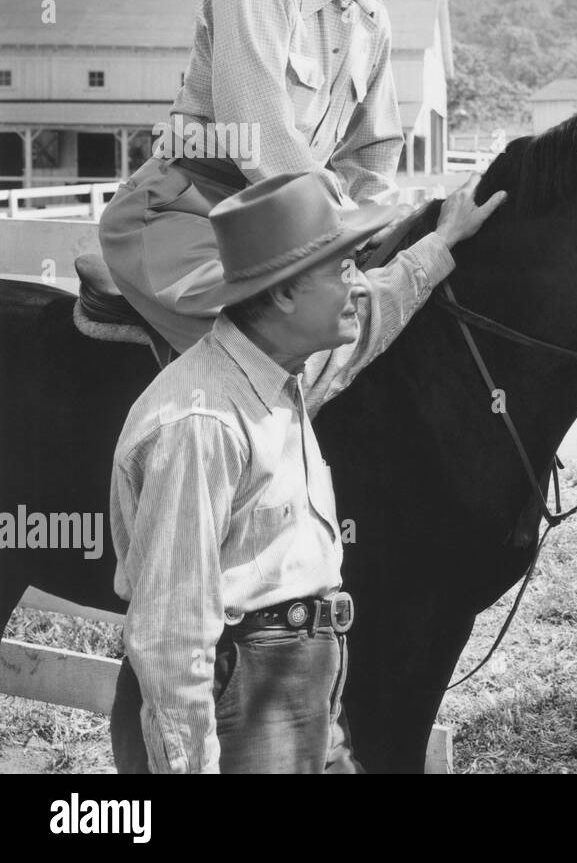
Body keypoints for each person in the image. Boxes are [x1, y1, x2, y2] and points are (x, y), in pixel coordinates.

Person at [108, 170, 506, 774]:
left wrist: (442, 242)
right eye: (344, 269)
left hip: (305, 683)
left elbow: (372, 319)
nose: (359, 287)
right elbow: (171, 637)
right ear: (287, 293)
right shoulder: (203, 423)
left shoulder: (280, 371)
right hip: (242, 690)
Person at [100, 0, 431, 354]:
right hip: (188, 212)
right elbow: (261, 137)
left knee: (380, 328)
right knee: (261, 349)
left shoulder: (373, 22)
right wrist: (341, 227)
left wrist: (372, 235)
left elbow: (373, 150)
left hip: (290, 231)